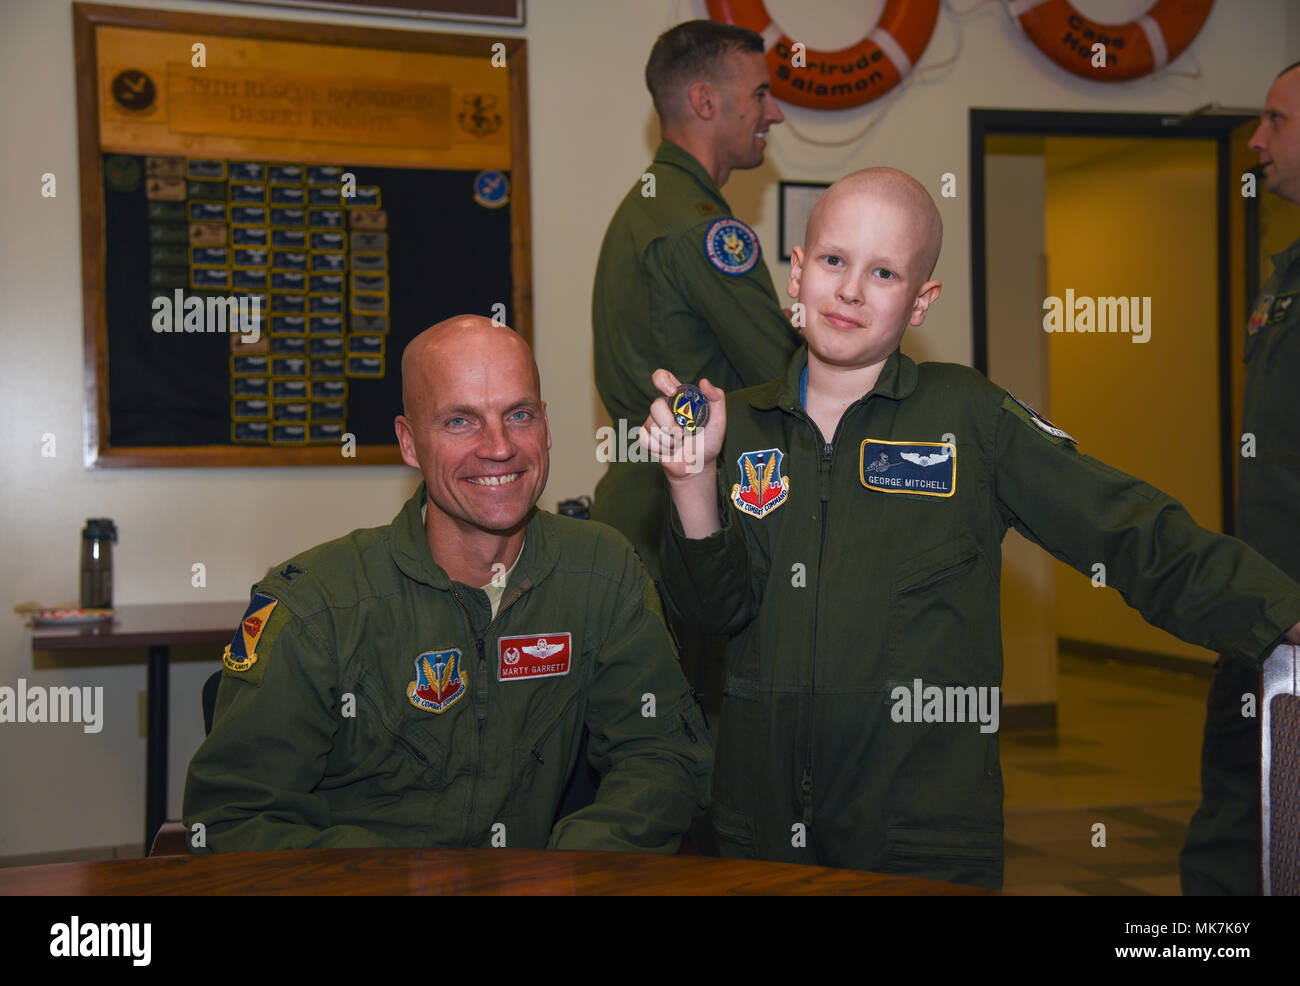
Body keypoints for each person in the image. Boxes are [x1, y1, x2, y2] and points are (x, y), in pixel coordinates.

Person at [642, 168, 1300, 889]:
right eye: (833, 260)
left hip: (922, 837)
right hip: (759, 832)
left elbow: (1125, 527)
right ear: (796, 273)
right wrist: (692, 482)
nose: (852, 289)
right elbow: (712, 613)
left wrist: (1278, 610)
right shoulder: (735, 426)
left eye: (885, 273)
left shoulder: (969, 418)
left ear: (921, 301)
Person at [184, 315, 712, 852]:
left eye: (519, 415)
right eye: (460, 421)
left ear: (547, 427)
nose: (499, 447)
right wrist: (402, 883)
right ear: (410, 443)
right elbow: (234, 816)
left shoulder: (602, 570)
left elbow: (661, 757)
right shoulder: (316, 604)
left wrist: (569, 873)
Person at [592, 19, 798, 703]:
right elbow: (787, 379)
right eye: (761, 93)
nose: (775, 112)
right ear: (706, 101)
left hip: (642, 508)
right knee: (706, 737)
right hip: (692, 523)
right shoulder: (705, 228)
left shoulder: (643, 210)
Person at [1180, 61, 1300, 895]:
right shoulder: (1284, 274)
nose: (1256, 139)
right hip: (1261, 605)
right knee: (1235, 824)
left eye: (1277, 120)